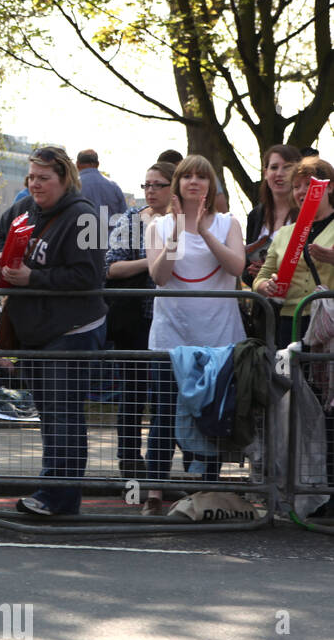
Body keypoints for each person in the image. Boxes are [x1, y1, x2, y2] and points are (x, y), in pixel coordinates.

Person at [0, 146, 106, 517]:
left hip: (72, 329)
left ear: (64, 178)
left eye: (43, 178)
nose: (35, 184)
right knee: (50, 413)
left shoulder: (84, 215)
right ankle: (51, 492)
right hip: (34, 331)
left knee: (63, 413)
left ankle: (59, 497)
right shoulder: (24, 207)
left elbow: (89, 276)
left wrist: (33, 277)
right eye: (31, 177)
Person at [142, 155, 247, 515]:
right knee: (164, 417)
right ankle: (154, 493)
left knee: (210, 416)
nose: (194, 182)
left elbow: (236, 267)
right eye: (187, 176)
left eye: (202, 176)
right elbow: (159, 276)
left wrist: (203, 231)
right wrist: (177, 231)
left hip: (218, 339)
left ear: (211, 184)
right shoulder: (158, 226)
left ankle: (205, 491)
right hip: (170, 339)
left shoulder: (228, 223)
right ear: (178, 184)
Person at [104, 160, 176, 481]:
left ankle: (160, 465)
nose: (150, 191)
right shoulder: (132, 220)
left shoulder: (186, 223)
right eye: (146, 184)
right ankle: (130, 462)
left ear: (174, 187)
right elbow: (111, 267)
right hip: (136, 320)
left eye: (158, 184)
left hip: (173, 321)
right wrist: (152, 260)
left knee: (167, 395)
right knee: (132, 392)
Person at [254, 156, 334, 345]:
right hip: (291, 322)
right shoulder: (284, 233)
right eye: (296, 186)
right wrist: (267, 286)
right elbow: (261, 277)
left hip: (329, 319)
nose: (302, 191)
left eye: (309, 184)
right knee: (291, 375)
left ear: (329, 187)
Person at [244, 144, 302, 284]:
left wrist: (273, 272)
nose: (279, 173)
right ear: (265, 173)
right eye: (274, 167)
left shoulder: (308, 213)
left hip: (298, 300)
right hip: (264, 301)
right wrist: (256, 273)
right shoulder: (256, 215)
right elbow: (245, 271)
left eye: (287, 167)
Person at [76, 148, 127, 219]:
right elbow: (124, 217)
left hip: (83, 230)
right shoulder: (114, 186)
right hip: (110, 230)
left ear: (77, 164)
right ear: (97, 164)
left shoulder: (72, 187)